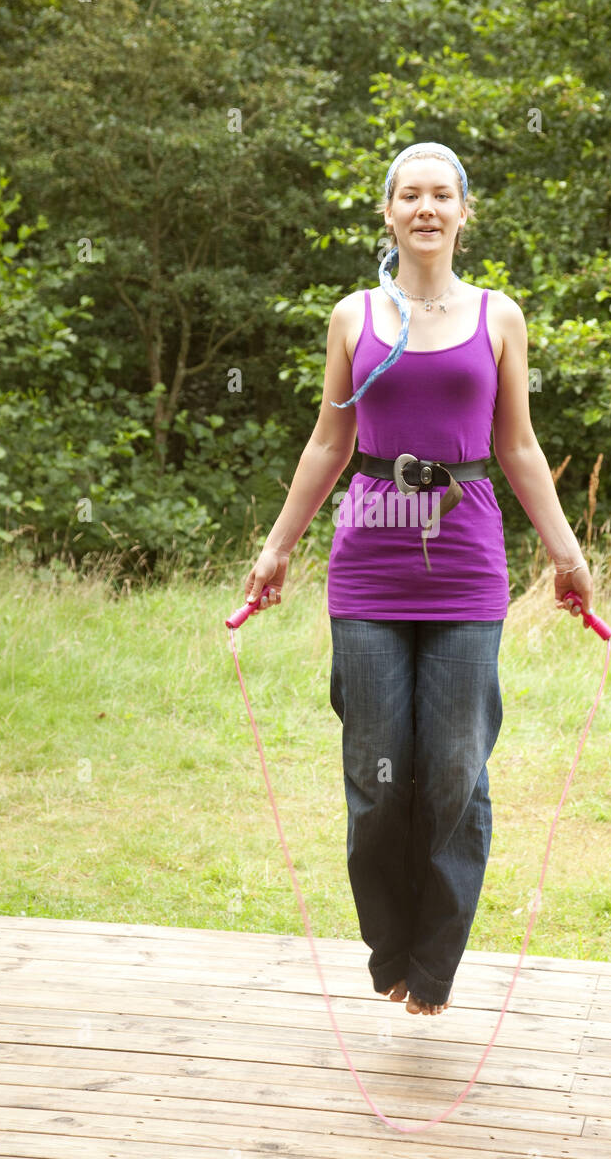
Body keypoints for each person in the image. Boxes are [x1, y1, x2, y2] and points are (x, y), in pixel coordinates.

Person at [244, 141, 593, 1018]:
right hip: (368, 562)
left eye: (443, 195)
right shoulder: (353, 317)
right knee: (376, 773)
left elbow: (516, 445)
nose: (427, 208)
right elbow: (329, 442)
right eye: (411, 195)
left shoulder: (500, 317)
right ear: (389, 213)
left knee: (452, 768)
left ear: (465, 213)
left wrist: (565, 552)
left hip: (469, 564)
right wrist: (279, 545)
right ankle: (389, 947)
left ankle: (434, 965)